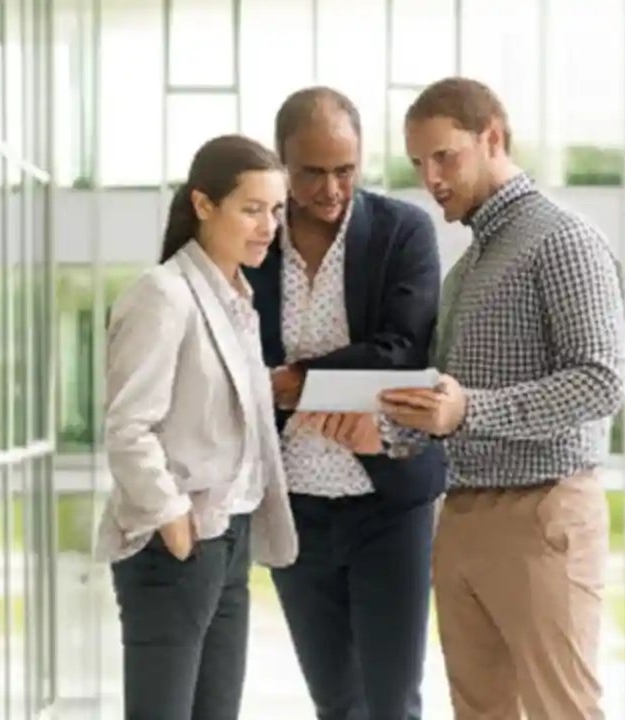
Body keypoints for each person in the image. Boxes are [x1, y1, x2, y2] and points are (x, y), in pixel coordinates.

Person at [381, 77, 625, 720]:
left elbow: (601, 380)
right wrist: (397, 428)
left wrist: (470, 411)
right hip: (461, 514)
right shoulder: (467, 265)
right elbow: (451, 396)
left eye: (445, 156)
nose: (431, 178)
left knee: (561, 710)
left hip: (543, 514)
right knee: (479, 711)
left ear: (493, 136)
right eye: (419, 163)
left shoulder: (563, 240)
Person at [242, 86, 446, 720]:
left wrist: (299, 380)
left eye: (345, 170)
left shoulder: (402, 231)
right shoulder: (254, 245)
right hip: (294, 506)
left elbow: (403, 348)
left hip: (388, 504)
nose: (331, 189)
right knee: (335, 703)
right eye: (311, 172)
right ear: (280, 163)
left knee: (393, 704)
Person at [96, 134, 299, 720]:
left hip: (228, 537)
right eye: (252, 209)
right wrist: (172, 517)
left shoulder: (238, 299)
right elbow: (129, 426)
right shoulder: (162, 295)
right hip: (175, 541)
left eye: (276, 211)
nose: (268, 227)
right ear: (204, 205)